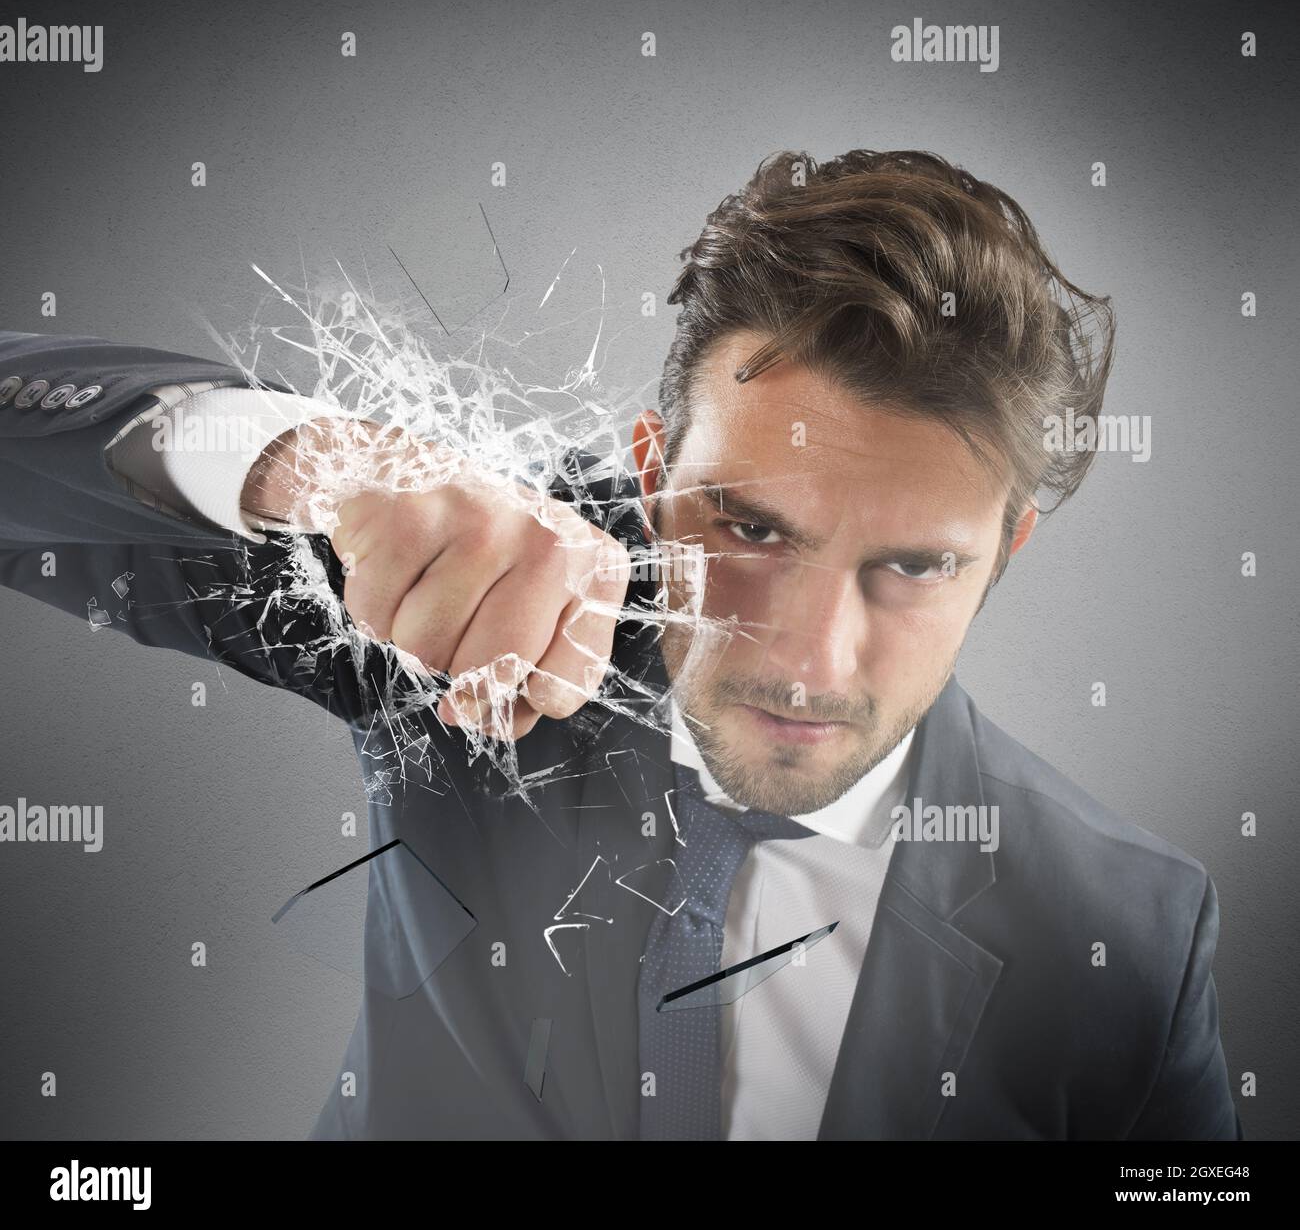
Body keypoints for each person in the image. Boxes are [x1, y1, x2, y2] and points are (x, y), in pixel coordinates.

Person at [0, 148, 1241, 1140]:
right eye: (749, 529)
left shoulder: (1123, 931)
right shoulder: (484, 605)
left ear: (1007, 550)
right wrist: (302, 465)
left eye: (914, 565)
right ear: (651, 475)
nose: (810, 658)